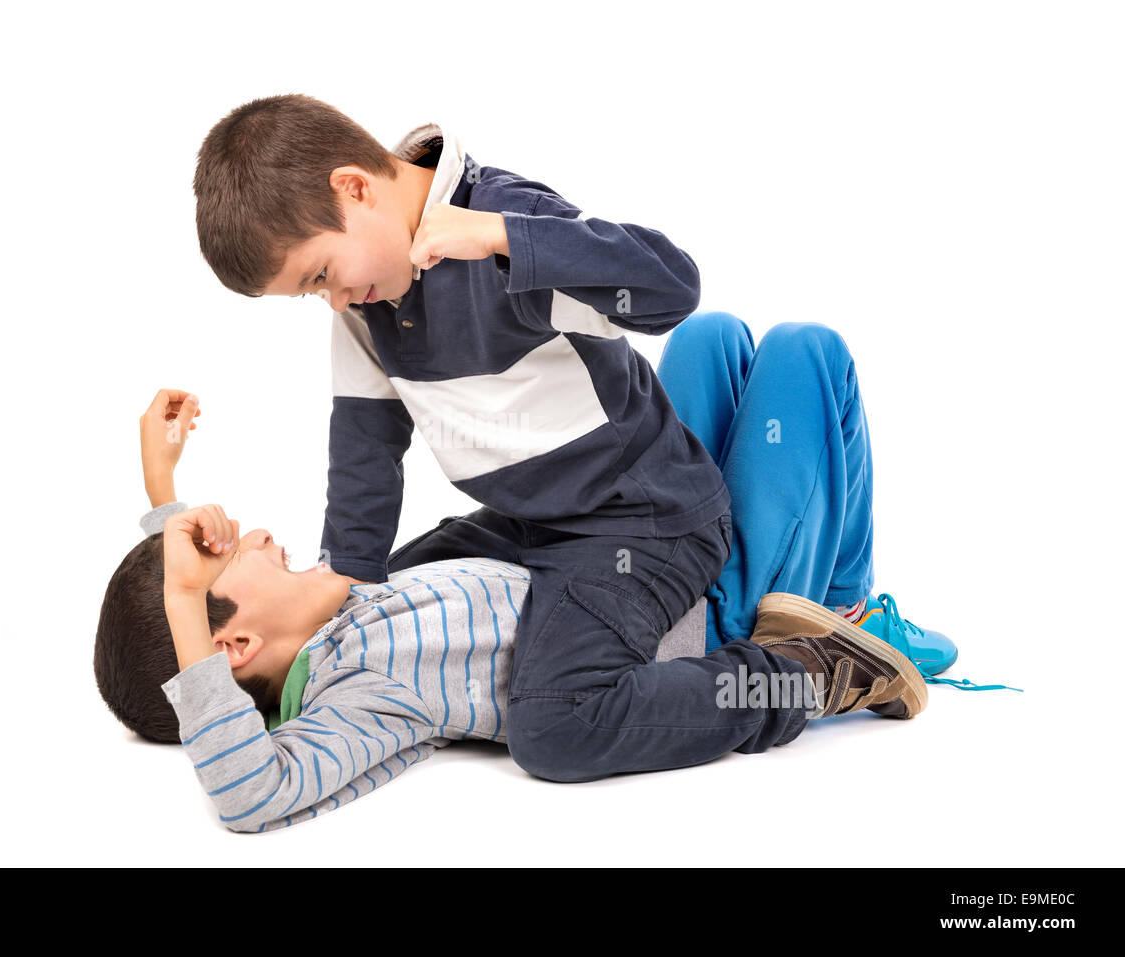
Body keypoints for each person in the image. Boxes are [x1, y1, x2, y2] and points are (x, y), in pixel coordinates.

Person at [183, 94, 969, 781]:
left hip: (641, 516)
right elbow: (364, 452)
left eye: (319, 275)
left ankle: (842, 626)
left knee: (763, 343)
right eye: (307, 294)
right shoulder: (365, 307)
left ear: (353, 189)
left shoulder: (500, 230)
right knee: (386, 578)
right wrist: (339, 571)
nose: (330, 301)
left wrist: (498, 236)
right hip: (539, 518)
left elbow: (670, 288)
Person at [93, 308, 930, 832]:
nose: (261, 534)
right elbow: (246, 790)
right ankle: (849, 613)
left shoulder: (345, 590)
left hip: (650, 522)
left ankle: (834, 593)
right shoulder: (357, 692)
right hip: (711, 609)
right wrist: (179, 593)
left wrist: (167, 496)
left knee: (709, 338)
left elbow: (209, 601)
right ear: (232, 646)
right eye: (236, 556)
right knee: (806, 351)